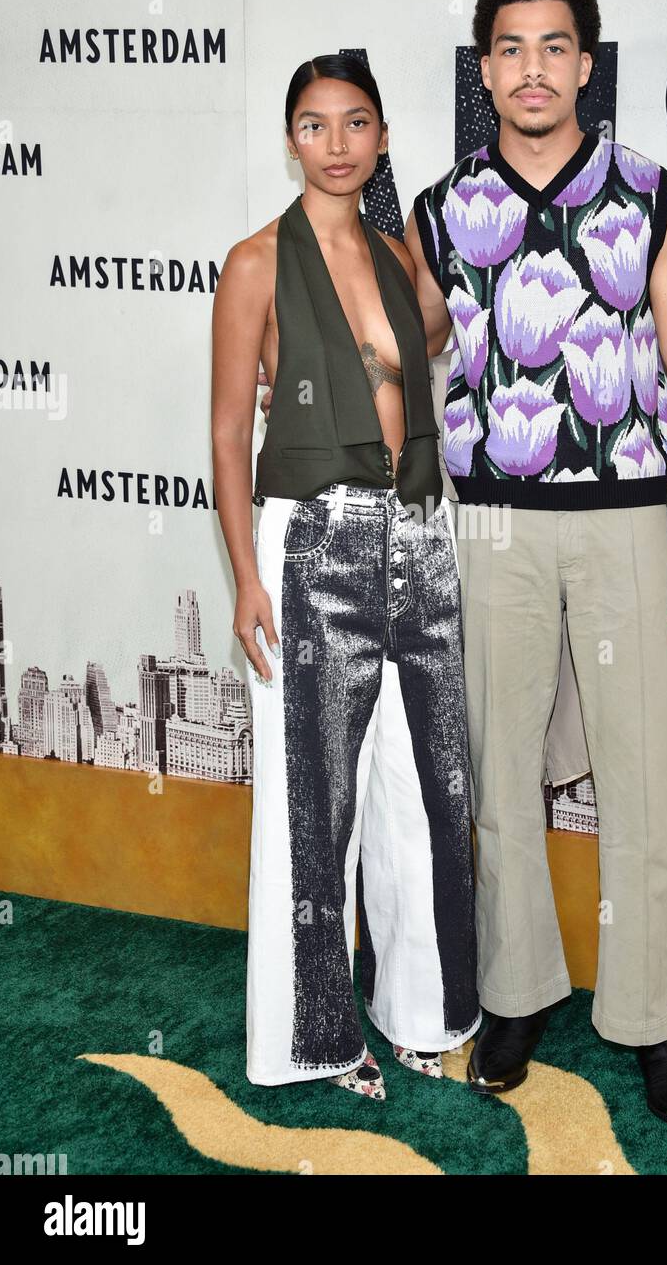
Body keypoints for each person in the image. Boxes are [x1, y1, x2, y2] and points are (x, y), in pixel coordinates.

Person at [402, 0, 667, 1126]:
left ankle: (647, 1018)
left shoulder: (650, 193)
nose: (529, 68)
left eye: (552, 47)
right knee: (495, 773)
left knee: (642, 777)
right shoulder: (438, 210)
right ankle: (514, 993)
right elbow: (404, 347)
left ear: (586, 63)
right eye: (506, 48)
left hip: (627, 516)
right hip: (485, 516)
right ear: (481, 67)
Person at [211, 53, 482, 1101]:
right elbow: (231, 430)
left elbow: (434, 340)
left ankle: (419, 1013)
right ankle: (315, 1039)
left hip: (418, 534)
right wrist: (244, 575)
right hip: (306, 539)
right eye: (314, 125)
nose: (334, 143)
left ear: (377, 140)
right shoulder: (250, 265)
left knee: (425, 790)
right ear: (291, 140)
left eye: (354, 123)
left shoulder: (395, 254)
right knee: (308, 806)